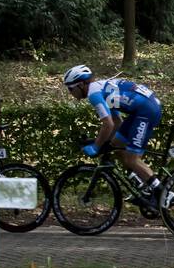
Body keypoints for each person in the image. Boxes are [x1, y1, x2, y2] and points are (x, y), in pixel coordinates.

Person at [63, 65, 165, 210]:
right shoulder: (100, 88)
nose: (70, 93)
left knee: (132, 159)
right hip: (142, 109)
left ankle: (162, 193)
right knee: (116, 146)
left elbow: (108, 124)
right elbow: (117, 122)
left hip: (145, 111)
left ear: (80, 84)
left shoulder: (94, 94)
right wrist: (105, 143)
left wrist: (96, 146)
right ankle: (146, 189)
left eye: (70, 88)